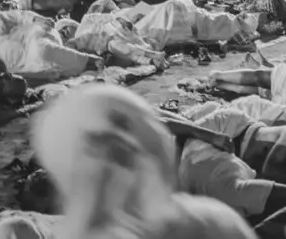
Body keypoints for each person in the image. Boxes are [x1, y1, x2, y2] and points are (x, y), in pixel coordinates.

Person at [29, 84, 257, 239]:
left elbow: (160, 121)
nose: (118, 149)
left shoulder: (209, 218)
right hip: (196, 156)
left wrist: (206, 134)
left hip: (199, 140)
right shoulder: (208, 219)